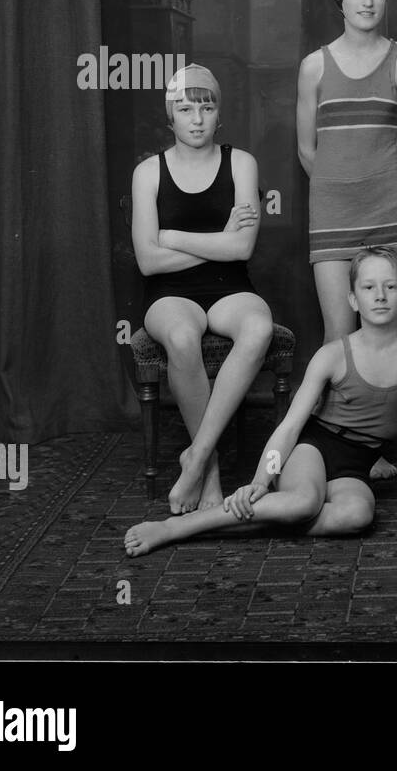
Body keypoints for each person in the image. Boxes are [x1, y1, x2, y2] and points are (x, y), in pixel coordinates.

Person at [124, 247, 397, 556]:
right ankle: (177, 528)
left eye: (391, 287)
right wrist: (261, 481)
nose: (380, 296)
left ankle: (268, 518)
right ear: (353, 299)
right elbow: (290, 426)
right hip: (312, 448)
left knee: (357, 515)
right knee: (303, 502)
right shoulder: (332, 356)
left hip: (358, 463)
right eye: (369, 287)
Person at [297, 0, 397, 481]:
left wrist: (379, 181)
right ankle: (336, 445)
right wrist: (340, 185)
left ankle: (375, 446)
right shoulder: (314, 66)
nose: (367, 0)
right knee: (339, 332)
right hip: (331, 212)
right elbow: (307, 150)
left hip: (389, 207)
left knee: (383, 329)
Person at [131, 64, 275, 515]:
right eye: (185, 109)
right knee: (180, 336)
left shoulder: (242, 163)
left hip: (230, 286)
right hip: (168, 292)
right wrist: (219, 241)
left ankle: (193, 459)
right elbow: (148, 261)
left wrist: (172, 237)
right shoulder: (148, 173)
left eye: (207, 108)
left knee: (259, 328)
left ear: (219, 115)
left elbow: (242, 248)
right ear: (170, 117)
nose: (197, 119)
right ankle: (209, 471)